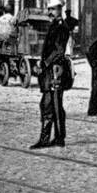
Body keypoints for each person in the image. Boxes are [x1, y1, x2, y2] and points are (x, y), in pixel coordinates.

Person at [32, 15, 73, 148]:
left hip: (55, 71)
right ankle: (59, 138)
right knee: (54, 105)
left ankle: (48, 139)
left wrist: (45, 62)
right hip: (51, 71)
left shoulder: (61, 27)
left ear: (60, 9)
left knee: (49, 105)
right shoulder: (55, 25)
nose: (50, 12)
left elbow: (59, 51)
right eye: (49, 9)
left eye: (53, 9)